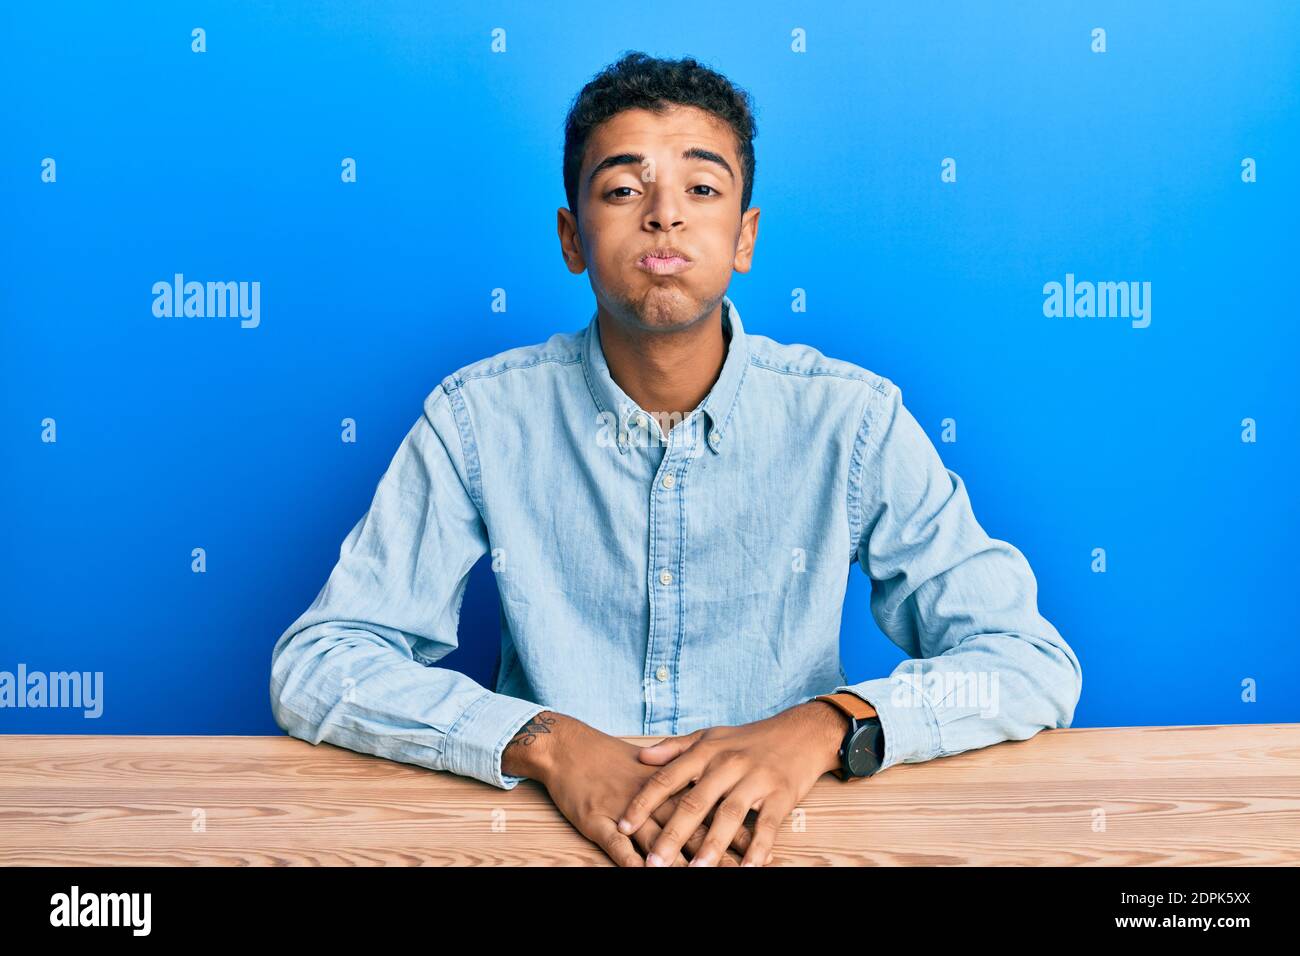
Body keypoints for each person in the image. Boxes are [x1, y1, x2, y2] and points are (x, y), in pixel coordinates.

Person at [269, 51, 1082, 868]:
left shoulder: (854, 420)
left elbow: (1026, 660)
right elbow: (322, 662)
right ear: (571, 238)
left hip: (791, 845)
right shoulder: (477, 418)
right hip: (543, 847)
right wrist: (544, 741)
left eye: (701, 189)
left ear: (744, 237)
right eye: (624, 190)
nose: (664, 216)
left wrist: (824, 727)